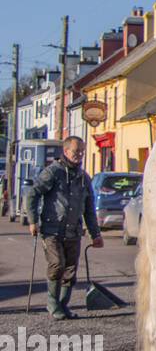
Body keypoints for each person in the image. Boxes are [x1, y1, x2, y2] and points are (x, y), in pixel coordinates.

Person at [27, 136, 103, 320]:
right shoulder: (53, 172)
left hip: (73, 232)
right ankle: (52, 304)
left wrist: (96, 234)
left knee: (70, 270)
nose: (79, 155)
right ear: (66, 151)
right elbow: (33, 194)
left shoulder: (84, 178)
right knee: (57, 265)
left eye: (82, 152)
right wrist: (33, 220)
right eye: (76, 151)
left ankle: (63, 305)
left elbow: (89, 210)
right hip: (52, 230)